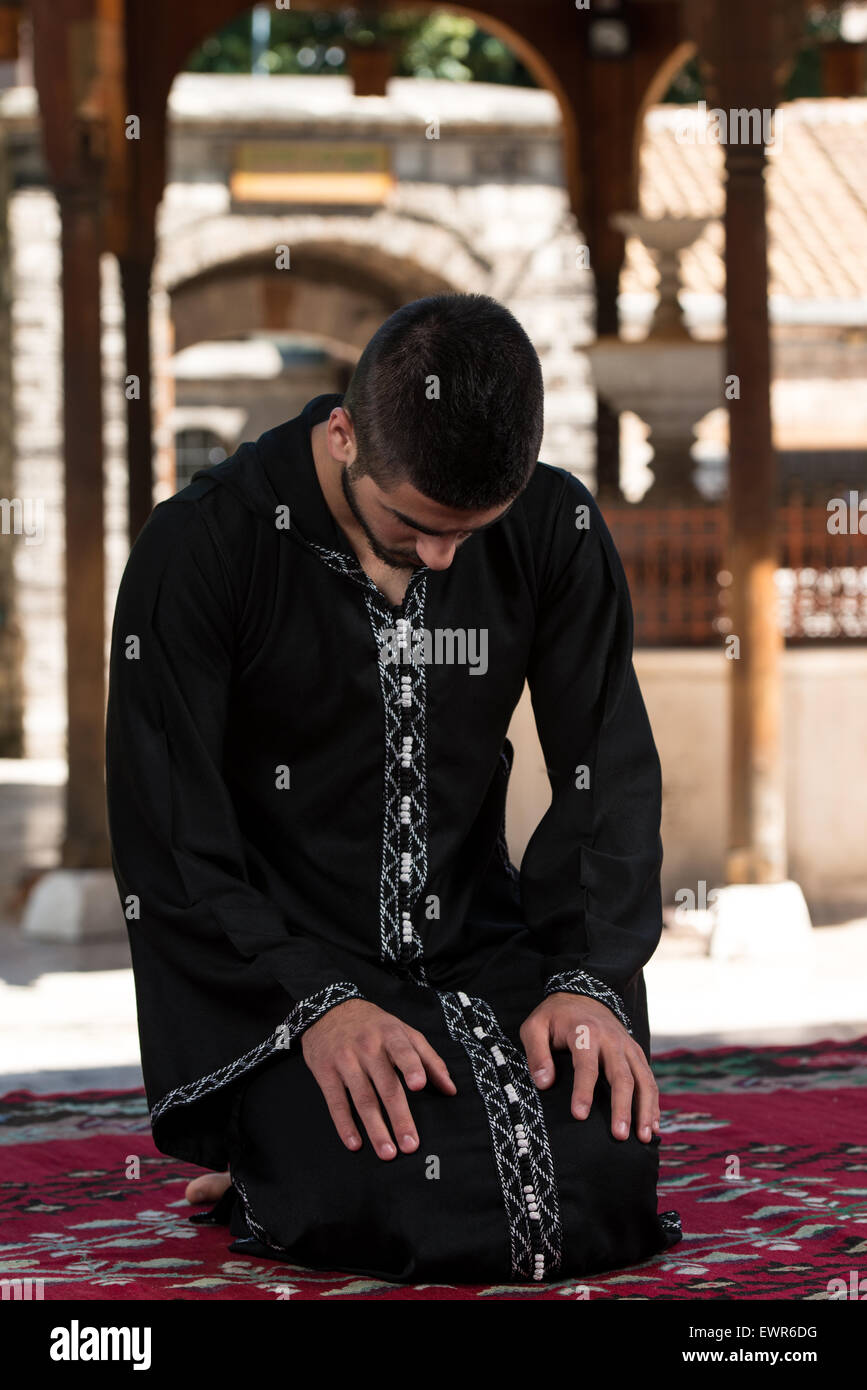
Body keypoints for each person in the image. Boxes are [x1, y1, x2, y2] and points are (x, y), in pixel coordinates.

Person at [105, 291, 681, 1284]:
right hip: (278, 979)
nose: (444, 559)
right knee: (384, 1186)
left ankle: (289, 1164)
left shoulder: (555, 526)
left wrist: (585, 980)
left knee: (601, 1176)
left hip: (483, 951)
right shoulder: (202, 547)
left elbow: (606, 772)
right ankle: (274, 1150)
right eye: (414, 526)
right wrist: (311, 1006)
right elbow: (170, 830)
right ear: (342, 436)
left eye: (474, 530)